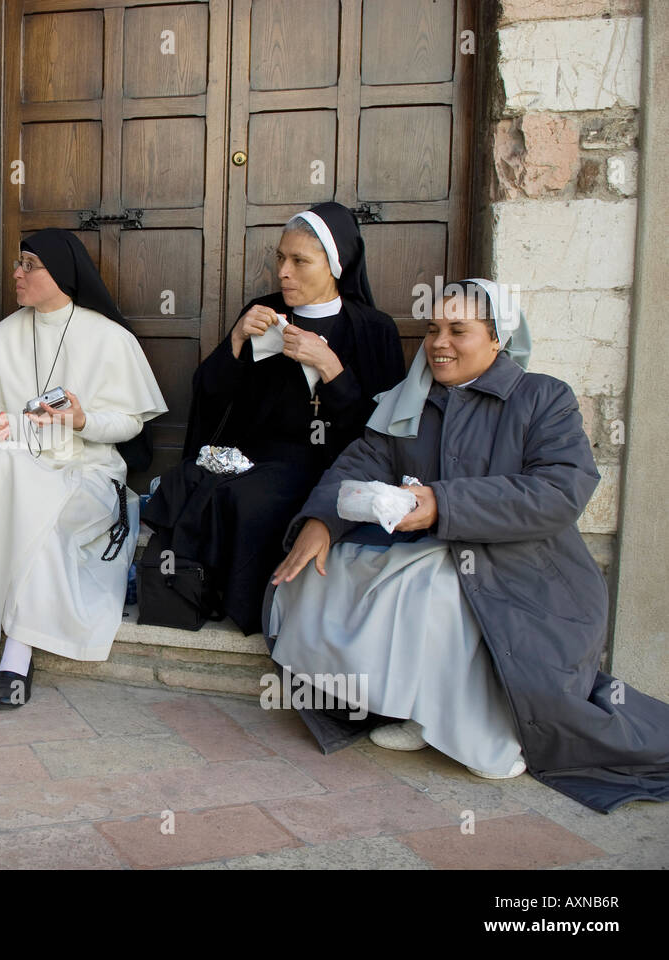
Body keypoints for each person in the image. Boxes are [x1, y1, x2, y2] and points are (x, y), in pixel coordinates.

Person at [267, 280, 669, 811]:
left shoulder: (543, 397)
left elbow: (558, 492)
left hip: (529, 568)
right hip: (444, 552)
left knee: (431, 592)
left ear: (498, 339)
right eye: (433, 329)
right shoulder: (408, 402)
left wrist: (443, 504)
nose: (439, 343)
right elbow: (360, 465)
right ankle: (419, 710)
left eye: (459, 330)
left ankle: (484, 739)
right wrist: (322, 521)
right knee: (328, 574)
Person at [141, 202, 406, 633]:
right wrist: (238, 339)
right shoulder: (263, 310)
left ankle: (245, 604)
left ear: (337, 265)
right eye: (280, 258)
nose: (283, 271)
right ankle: (186, 588)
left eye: (300, 261)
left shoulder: (373, 329)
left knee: (249, 499)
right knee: (186, 481)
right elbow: (210, 391)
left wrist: (330, 367)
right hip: (253, 454)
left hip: (329, 461)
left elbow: (381, 427)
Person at [0, 228, 167, 709]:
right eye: (18, 263)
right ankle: (17, 653)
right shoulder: (2, 338)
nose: (16, 273)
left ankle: (12, 650)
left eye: (29, 265)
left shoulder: (108, 337)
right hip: (18, 476)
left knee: (28, 504)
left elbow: (129, 423)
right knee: (12, 470)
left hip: (89, 477)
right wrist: (14, 429)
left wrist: (79, 420)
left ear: (60, 272)